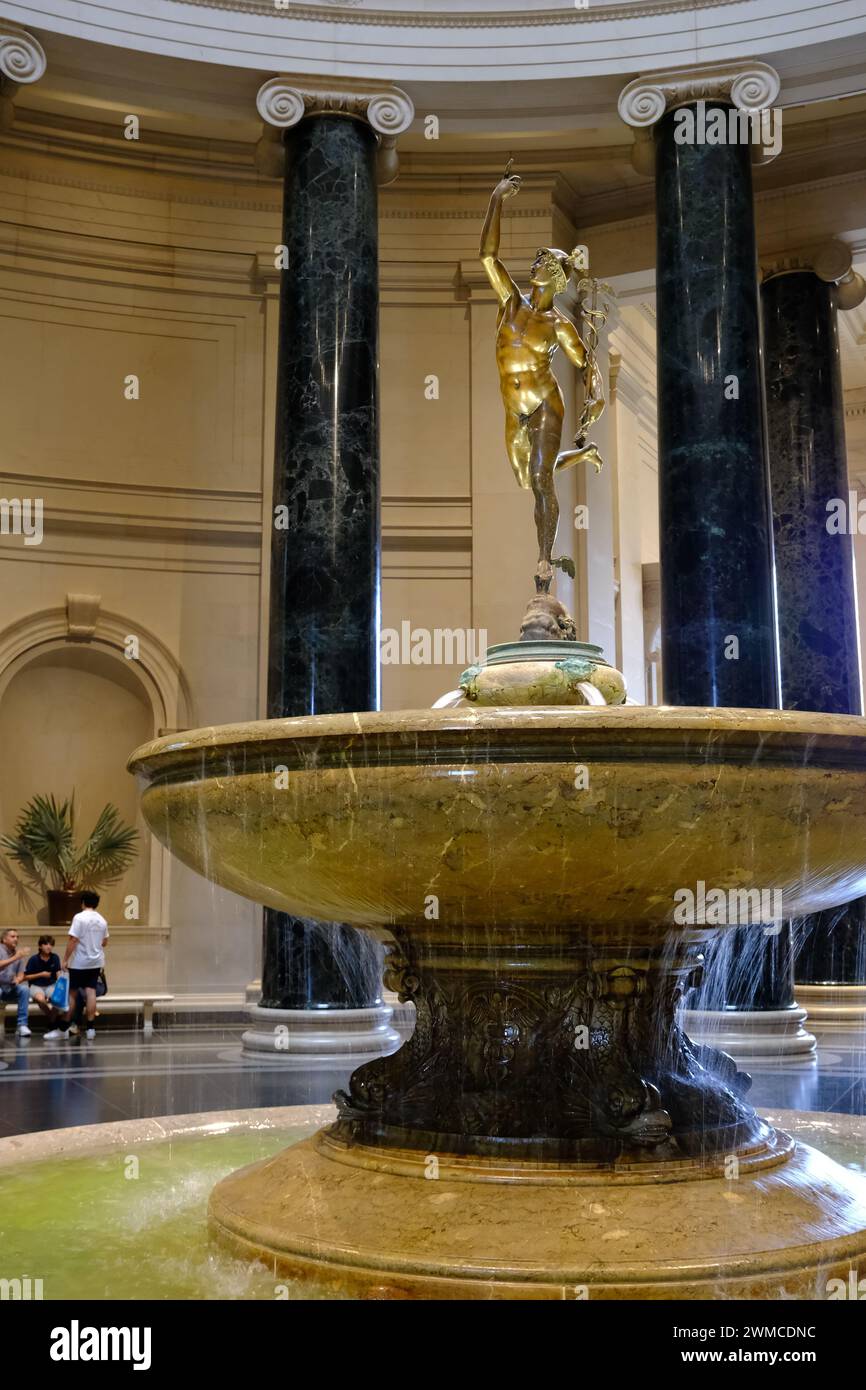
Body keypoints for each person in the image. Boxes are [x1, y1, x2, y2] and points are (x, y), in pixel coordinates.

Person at [479, 162, 607, 592]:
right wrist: (497, 198)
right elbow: (487, 256)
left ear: (553, 276)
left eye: (541, 259)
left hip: (544, 403)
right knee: (526, 475)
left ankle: (543, 565)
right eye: (536, 258)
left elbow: (585, 362)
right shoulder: (510, 303)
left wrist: (598, 391)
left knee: (539, 481)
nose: (533, 261)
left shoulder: (557, 324)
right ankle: (582, 454)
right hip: (513, 409)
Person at [44, 891, 109, 1042]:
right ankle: (91, 1029)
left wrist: (65, 959)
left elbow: (73, 940)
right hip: (96, 962)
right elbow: (105, 942)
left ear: (83, 902)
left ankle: (63, 1028)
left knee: (72, 993)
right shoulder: (102, 920)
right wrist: (94, 945)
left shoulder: (79, 917)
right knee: (90, 991)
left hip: (80, 962)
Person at [22, 935, 62, 1028]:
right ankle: (54, 1020)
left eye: (51, 944)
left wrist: (60, 986)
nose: (49, 946)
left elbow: (58, 973)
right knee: (41, 1000)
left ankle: (52, 1022)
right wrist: (41, 974)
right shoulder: (34, 959)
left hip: (51, 985)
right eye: (46, 944)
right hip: (36, 986)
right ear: (40, 946)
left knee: (57, 1000)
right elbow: (25, 977)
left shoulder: (55, 957)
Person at [0, 928, 31, 1038]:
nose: (16, 939)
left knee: (24, 990)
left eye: (17, 937)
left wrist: (17, 979)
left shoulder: (18, 954)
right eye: (12, 936)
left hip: (10, 987)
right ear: (4, 939)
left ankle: (22, 1025)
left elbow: (21, 974)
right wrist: (15, 957)